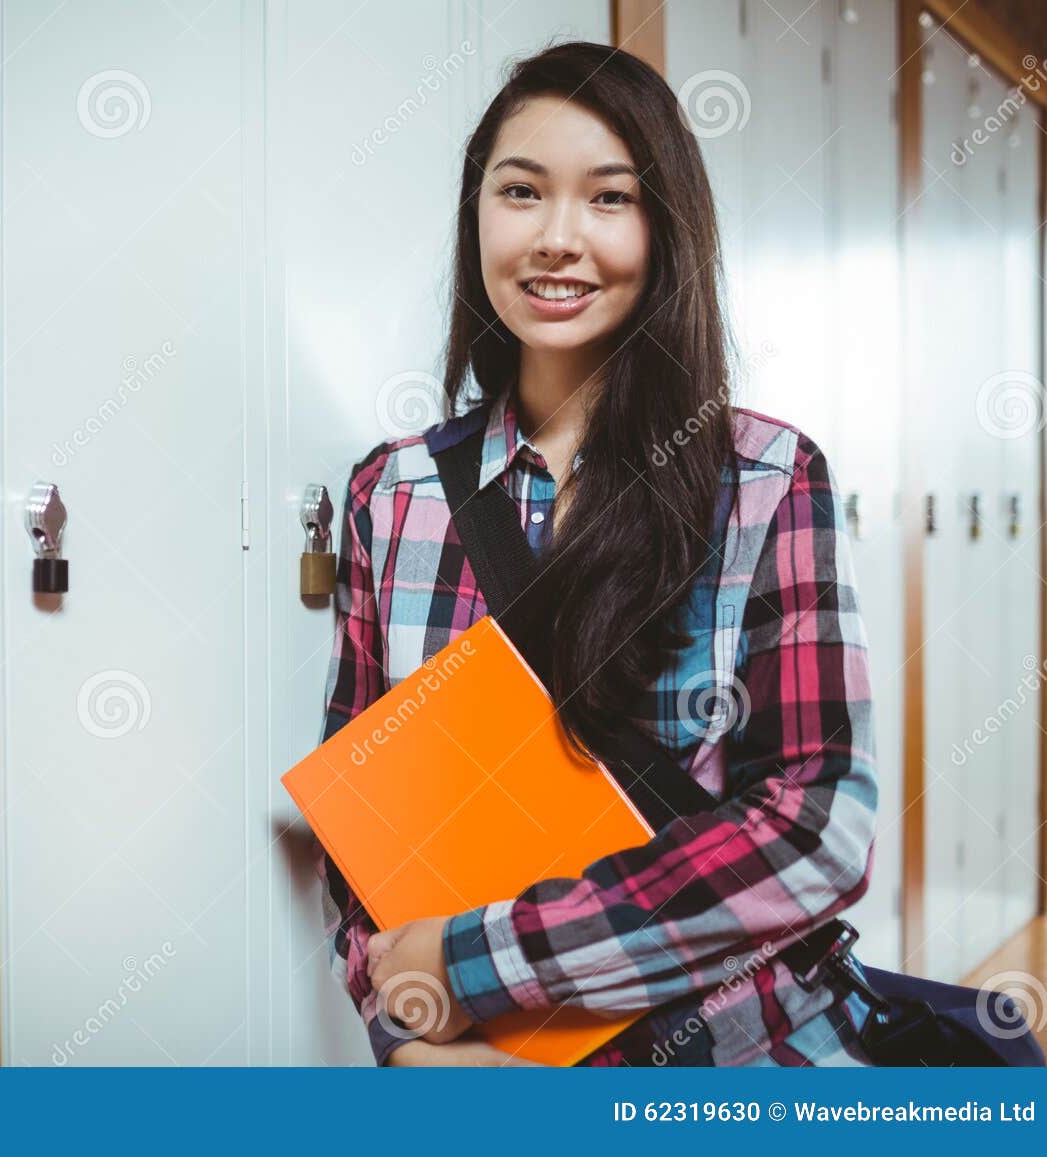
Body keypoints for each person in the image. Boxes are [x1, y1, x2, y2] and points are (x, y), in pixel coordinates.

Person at [314, 40, 879, 1067]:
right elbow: (360, 829)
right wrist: (406, 1035)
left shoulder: (765, 476)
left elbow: (816, 829)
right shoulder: (387, 496)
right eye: (520, 191)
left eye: (609, 199)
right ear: (476, 214)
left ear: (666, 231)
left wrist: (478, 963)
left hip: (735, 1064)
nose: (557, 239)